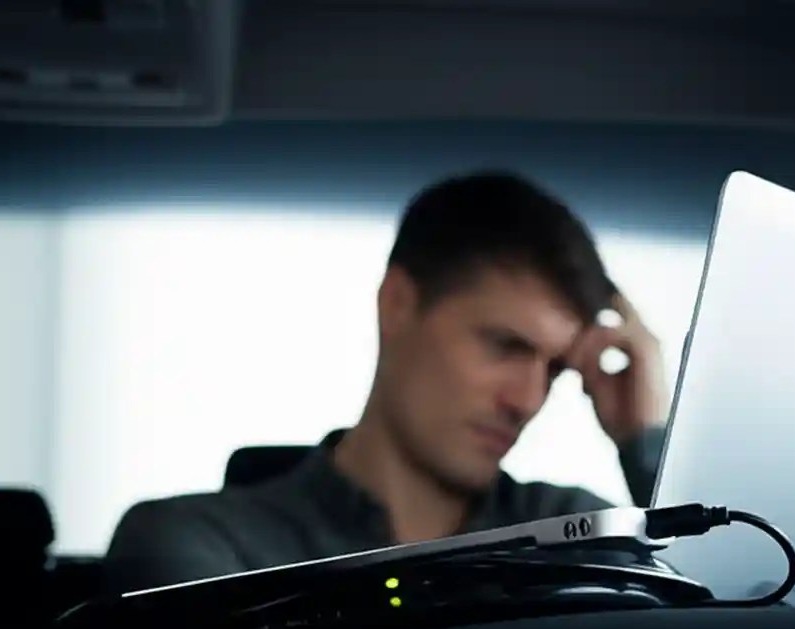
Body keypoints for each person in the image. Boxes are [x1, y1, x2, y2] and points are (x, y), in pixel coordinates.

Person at [102, 171, 669, 594]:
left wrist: (645, 442)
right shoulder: (203, 544)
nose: (528, 399)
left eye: (555, 369)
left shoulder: (577, 535)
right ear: (397, 304)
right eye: (504, 346)